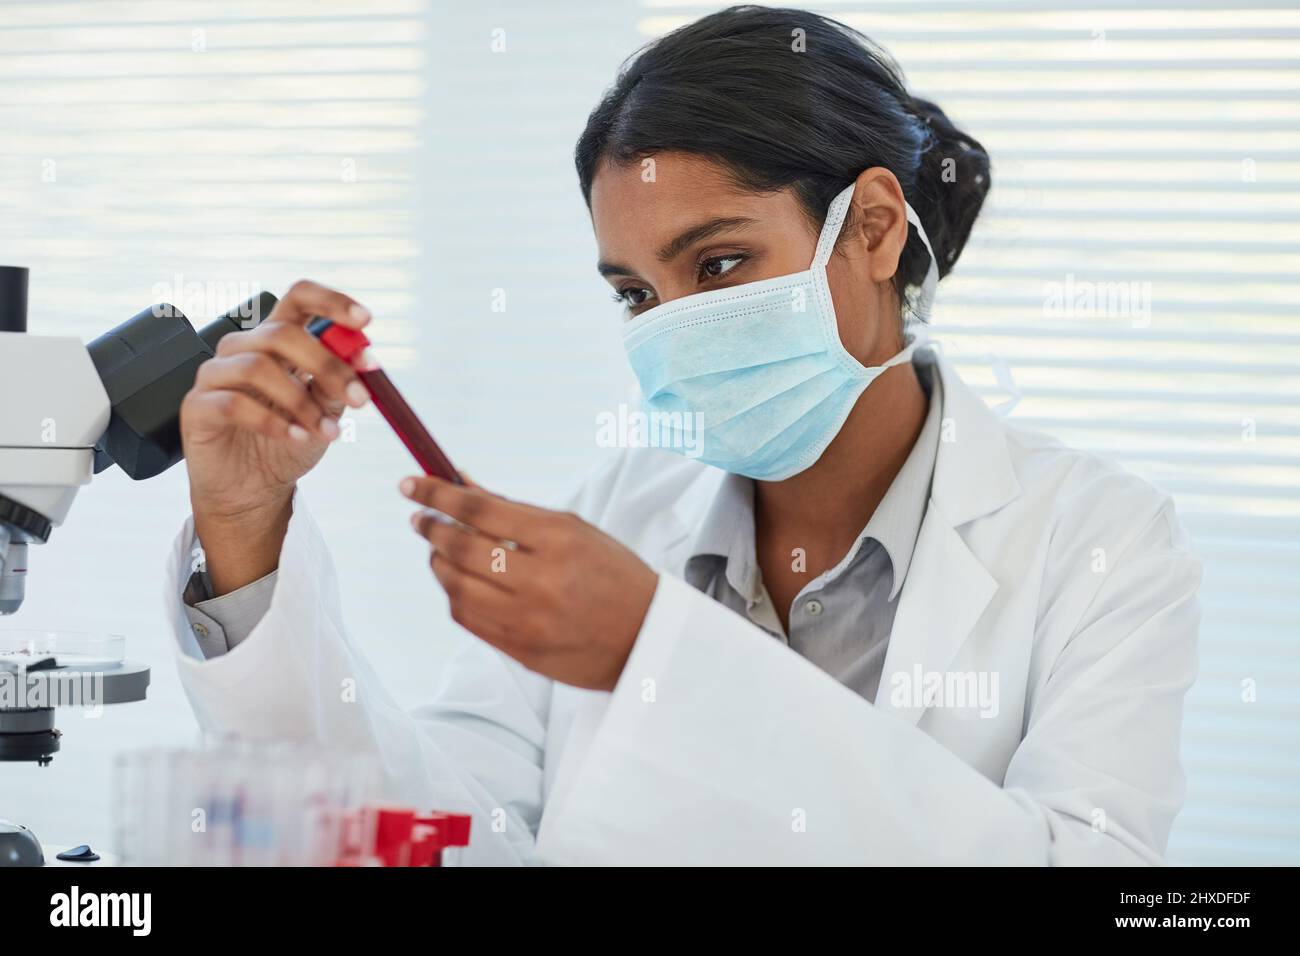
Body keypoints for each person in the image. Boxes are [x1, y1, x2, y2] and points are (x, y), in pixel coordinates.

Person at [169, 6, 1200, 865]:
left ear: (875, 228)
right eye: (634, 293)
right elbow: (427, 832)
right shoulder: (616, 513)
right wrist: (243, 527)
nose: (671, 329)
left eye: (715, 265)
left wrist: (655, 652)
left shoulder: (1100, 541)